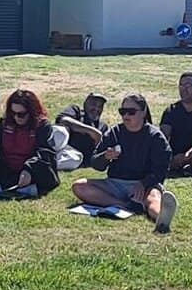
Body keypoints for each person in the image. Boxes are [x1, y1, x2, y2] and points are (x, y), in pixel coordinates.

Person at [72, 91, 177, 232]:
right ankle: (123, 205)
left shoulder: (155, 137)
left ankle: (161, 219)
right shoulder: (115, 132)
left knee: (153, 198)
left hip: (144, 185)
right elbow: (95, 163)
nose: (126, 116)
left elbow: (161, 171)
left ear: (143, 112)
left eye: (131, 112)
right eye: (123, 112)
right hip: (114, 184)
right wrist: (105, 157)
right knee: (79, 186)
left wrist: (143, 183)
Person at [0, 88, 60, 197]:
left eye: (21, 114)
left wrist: (29, 169)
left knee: (42, 172)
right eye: (13, 113)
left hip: (30, 168)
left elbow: (45, 152)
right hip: (7, 167)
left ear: (31, 112)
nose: (16, 117)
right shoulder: (5, 122)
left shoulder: (42, 125)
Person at [57, 92, 108, 165]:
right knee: (59, 131)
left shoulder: (103, 127)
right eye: (93, 104)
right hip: (60, 146)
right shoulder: (76, 111)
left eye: (100, 106)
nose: (96, 108)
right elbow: (63, 120)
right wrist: (92, 131)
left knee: (74, 159)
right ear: (85, 103)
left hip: (72, 155)